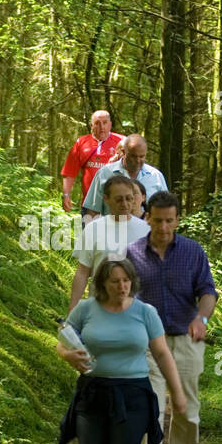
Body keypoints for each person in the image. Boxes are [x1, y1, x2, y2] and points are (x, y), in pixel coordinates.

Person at [57, 256, 186, 444]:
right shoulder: (87, 309)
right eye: (115, 281)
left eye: (126, 280)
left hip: (133, 395)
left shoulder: (145, 312)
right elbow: (62, 340)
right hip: (93, 393)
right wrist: (67, 356)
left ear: (133, 282)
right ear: (102, 283)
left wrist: (177, 393)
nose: (121, 286)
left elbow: (163, 354)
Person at [127, 191, 217, 444]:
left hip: (186, 340)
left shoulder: (193, 251)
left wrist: (200, 320)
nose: (163, 227)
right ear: (147, 217)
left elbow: (207, 291)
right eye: (158, 220)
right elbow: (127, 297)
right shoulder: (133, 253)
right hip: (150, 344)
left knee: (187, 408)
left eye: (169, 220)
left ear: (178, 220)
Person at [68, 172, 150, 310]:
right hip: (99, 309)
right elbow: (82, 272)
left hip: (137, 312)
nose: (125, 204)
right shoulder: (93, 228)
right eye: (119, 199)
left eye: (129, 198)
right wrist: (72, 310)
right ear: (106, 199)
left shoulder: (147, 230)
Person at [82, 134, 167, 218]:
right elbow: (92, 210)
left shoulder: (156, 176)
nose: (137, 160)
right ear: (123, 152)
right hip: (112, 230)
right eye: (133, 156)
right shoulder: (104, 174)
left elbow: (165, 209)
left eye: (142, 156)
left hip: (146, 230)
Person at [60, 110, 122, 214]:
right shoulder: (81, 143)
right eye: (97, 123)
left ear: (110, 124)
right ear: (91, 125)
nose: (102, 127)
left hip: (116, 204)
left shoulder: (121, 141)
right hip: (90, 203)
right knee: (90, 230)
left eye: (105, 122)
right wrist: (66, 194)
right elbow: (69, 171)